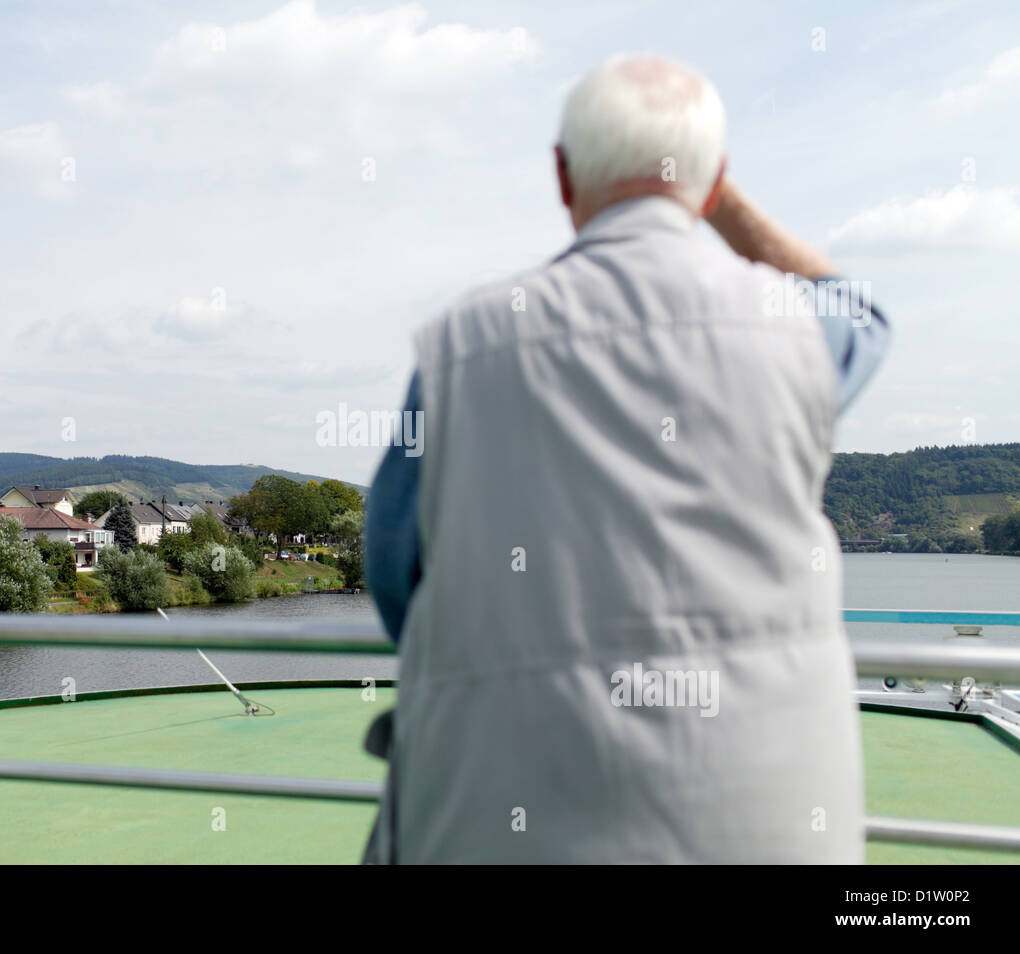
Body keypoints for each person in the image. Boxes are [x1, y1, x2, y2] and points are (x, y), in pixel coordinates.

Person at [361, 54, 890, 864]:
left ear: (561, 175)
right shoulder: (797, 331)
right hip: (764, 819)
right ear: (714, 185)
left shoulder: (462, 347)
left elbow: (397, 564)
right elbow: (860, 308)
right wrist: (716, 197)